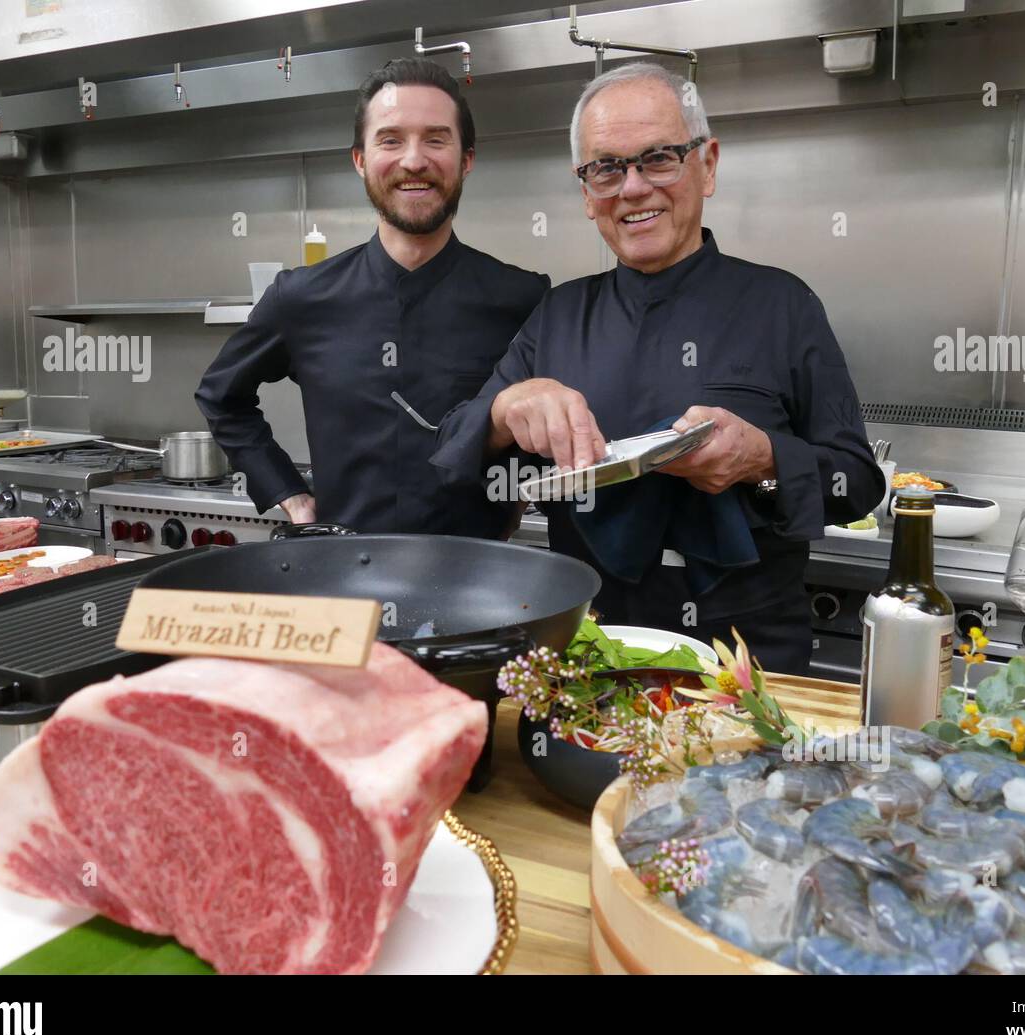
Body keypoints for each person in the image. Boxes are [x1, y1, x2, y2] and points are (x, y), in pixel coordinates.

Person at [431, 62, 883, 673]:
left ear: (709, 164)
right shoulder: (558, 315)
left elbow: (854, 482)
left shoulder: (784, 305)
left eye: (659, 158)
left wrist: (763, 461)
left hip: (747, 656)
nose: (633, 187)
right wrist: (504, 412)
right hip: (590, 645)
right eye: (607, 168)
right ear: (587, 194)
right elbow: (455, 447)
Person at [196, 58, 548, 535]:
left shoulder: (523, 298)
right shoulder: (300, 297)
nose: (413, 160)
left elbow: (548, 433)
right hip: (342, 580)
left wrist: (521, 497)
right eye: (390, 139)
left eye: (436, 138)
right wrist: (289, 494)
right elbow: (221, 396)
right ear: (360, 160)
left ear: (466, 158)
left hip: (480, 583)